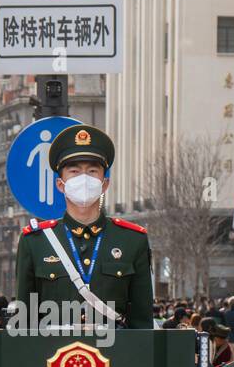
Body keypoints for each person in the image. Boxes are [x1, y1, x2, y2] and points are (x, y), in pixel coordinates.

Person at [14, 123, 153, 329]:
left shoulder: (132, 240)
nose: (84, 179)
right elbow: (24, 322)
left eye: (92, 171)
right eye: (75, 171)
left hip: (115, 355)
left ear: (104, 183)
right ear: (60, 184)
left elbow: (142, 322)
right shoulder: (35, 241)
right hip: (52, 357)